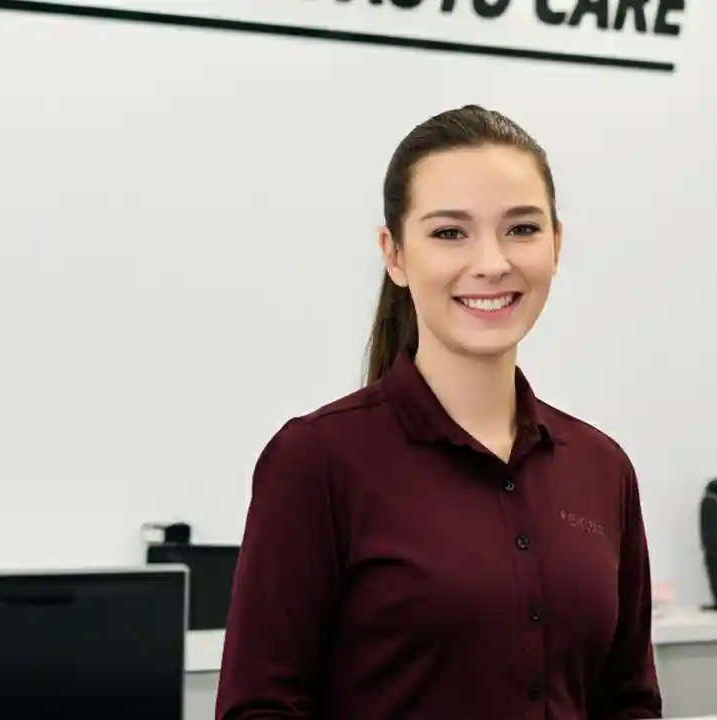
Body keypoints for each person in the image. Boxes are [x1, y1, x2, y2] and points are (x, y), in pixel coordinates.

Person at [215, 105, 662, 719]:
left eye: (521, 229)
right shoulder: (316, 461)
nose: (491, 262)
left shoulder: (602, 467)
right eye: (450, 232)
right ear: (394, 255)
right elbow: (259, 709)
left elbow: (629, 702)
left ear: (557, 244)